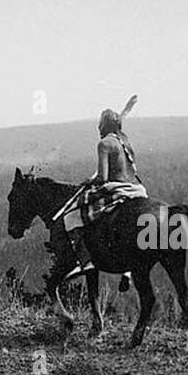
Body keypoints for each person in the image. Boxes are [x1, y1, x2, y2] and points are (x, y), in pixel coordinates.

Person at [62, 107, 146, 279]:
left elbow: (103, 176)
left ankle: (86, 262)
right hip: (136, 189)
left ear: (104, 125)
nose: (98, 127)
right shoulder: (125, 141)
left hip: (116, 188)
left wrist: (89, 181)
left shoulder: (104, 144)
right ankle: (129, 269)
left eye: (100, 123)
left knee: (71, 216)